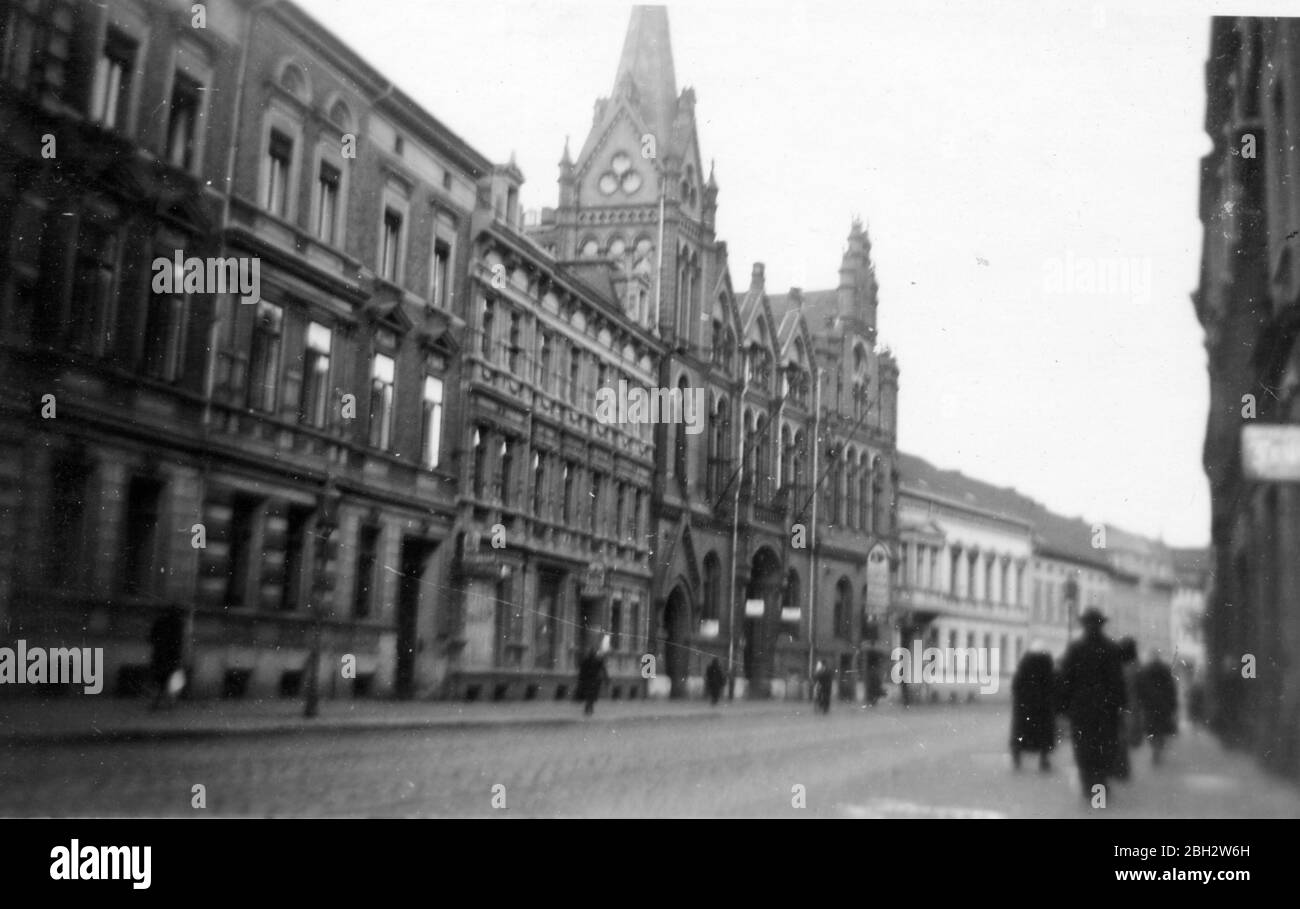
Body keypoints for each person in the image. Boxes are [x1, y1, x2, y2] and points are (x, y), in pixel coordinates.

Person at [1057, 608, 1127, 802]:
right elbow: (1117, 681)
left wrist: (1062, 707)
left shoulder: (1076, 649)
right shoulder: (1111, 649)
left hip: (1082, 709)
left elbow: (1065, 680)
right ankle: (1100, 784)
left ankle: (1089, 785)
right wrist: (1120, 705)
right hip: (1106, 710)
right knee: (1103, 748)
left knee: (1084, 748)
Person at [1010, 646, 1056, 771]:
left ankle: (1017, 758)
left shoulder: (1024, 668)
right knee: (1044, 736)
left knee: (1021, 734)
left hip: (1025, 708)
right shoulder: (1046, 666)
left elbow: (1016, 686)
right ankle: (1043, 759)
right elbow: (1054, 686)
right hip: (1043, 708)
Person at [1136, 650, 1179, 765]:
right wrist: (1173, 705)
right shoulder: (1165, 670)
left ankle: (1155, 747)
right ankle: (1159, 746)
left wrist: (1141, 702)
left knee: (1151, 728)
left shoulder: (1145, 671)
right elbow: (1171, 689)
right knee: (1161, 728)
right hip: (1163, 705)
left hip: (1150, 705)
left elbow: (1140, 688)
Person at [149, 605, 186, 710]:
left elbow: (152, 637)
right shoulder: (177, 624)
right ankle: (169, 703)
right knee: (170, 681)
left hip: (160, 656)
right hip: (172, 657)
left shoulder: (160, 623)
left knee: (159, 681)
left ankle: (156, 703)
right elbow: (179, 642)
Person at [576, 646, 609, 716]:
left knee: (590, 695)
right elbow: (603, 670)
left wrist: (580, 679)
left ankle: (588, 708)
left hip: (589, 680)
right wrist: (606, 679)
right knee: (591, 695)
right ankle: (589, 708)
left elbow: (582, 671)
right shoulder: (596, 661)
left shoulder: (587, 661)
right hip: (594, 680)